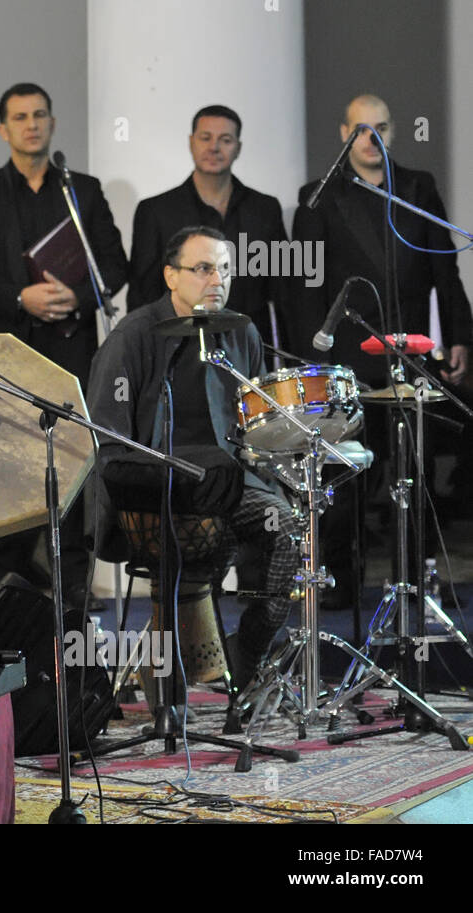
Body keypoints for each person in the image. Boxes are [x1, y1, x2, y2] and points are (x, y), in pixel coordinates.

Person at [87, 227, 298, 689]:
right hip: (160, 490)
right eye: (203, 268)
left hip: (232, 482)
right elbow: (106, 437)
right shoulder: (134, 336)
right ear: (171, 276)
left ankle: (247, 652)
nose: (216, 279)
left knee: (290, 534)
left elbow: (259, 425)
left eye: (225, 269)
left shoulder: (242, 331)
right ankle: (176, 669)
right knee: (200, 550)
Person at [289, 94, 473, 608]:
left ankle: (414, 580)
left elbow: (445, 269)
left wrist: (460, 337)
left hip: (409, 353)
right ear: (343, 132)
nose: (371, 139)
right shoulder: (318, 196)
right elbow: (307, 288)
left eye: (381, 129)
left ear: (392, 134)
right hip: (347, 354)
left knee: (413, 472)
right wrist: (314, 362)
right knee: (344, 473)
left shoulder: (417, 189)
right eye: (360, 130)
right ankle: (342, 586)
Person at [0, 81, 128, 601]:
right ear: (4, 129)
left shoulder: (81, 191)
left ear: (52, 123)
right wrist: (19, 297)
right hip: (3, 353)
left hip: (69, 352)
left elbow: (114, 265)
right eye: (21, 117)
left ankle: (71, 593)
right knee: (2, 467)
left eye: (40, 115)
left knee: (69, 466)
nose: (32, 124)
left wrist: (76, 296)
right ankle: (2, 591)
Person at [127, 105, 288, 344]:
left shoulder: (265, 209)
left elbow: (284, 291)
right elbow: (142, 296)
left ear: (238, 148)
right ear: (191, 142)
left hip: (249, 344)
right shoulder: (155, 211)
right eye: (205, 138)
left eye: (225, 140)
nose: (214, 148)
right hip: (178, 346)